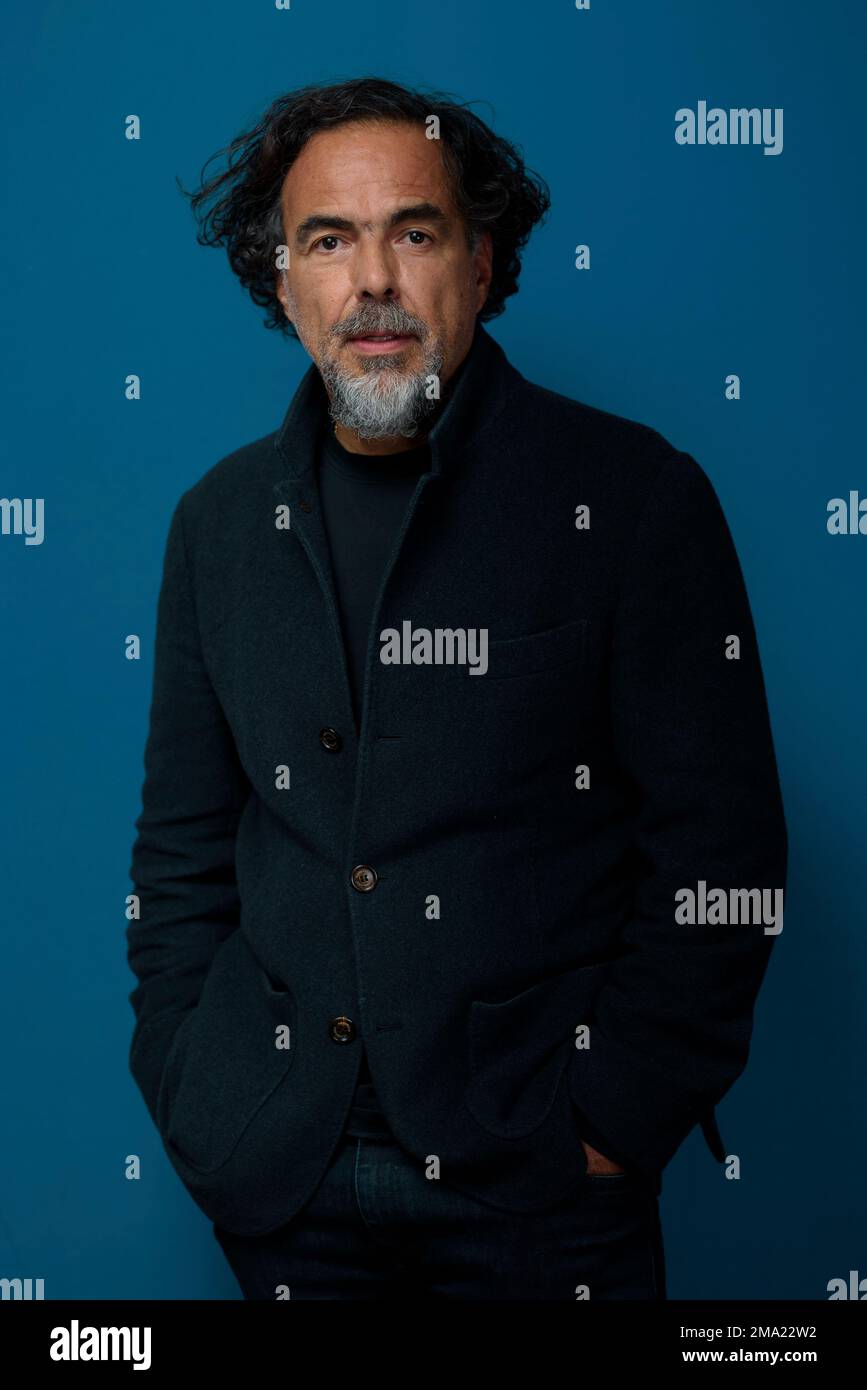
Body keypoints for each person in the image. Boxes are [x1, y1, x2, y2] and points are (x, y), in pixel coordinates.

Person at [126, 76, 787, 1300]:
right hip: (281, 1182)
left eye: (413, 233)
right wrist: (191, 1081)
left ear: (482, 264)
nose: (372, 279)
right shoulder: (215, 524)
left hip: (539, 1191)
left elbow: (723, 855)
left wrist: (611, 1119)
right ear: (285, 283)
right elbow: (179, 855)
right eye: (329, 240)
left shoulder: (635, 499)